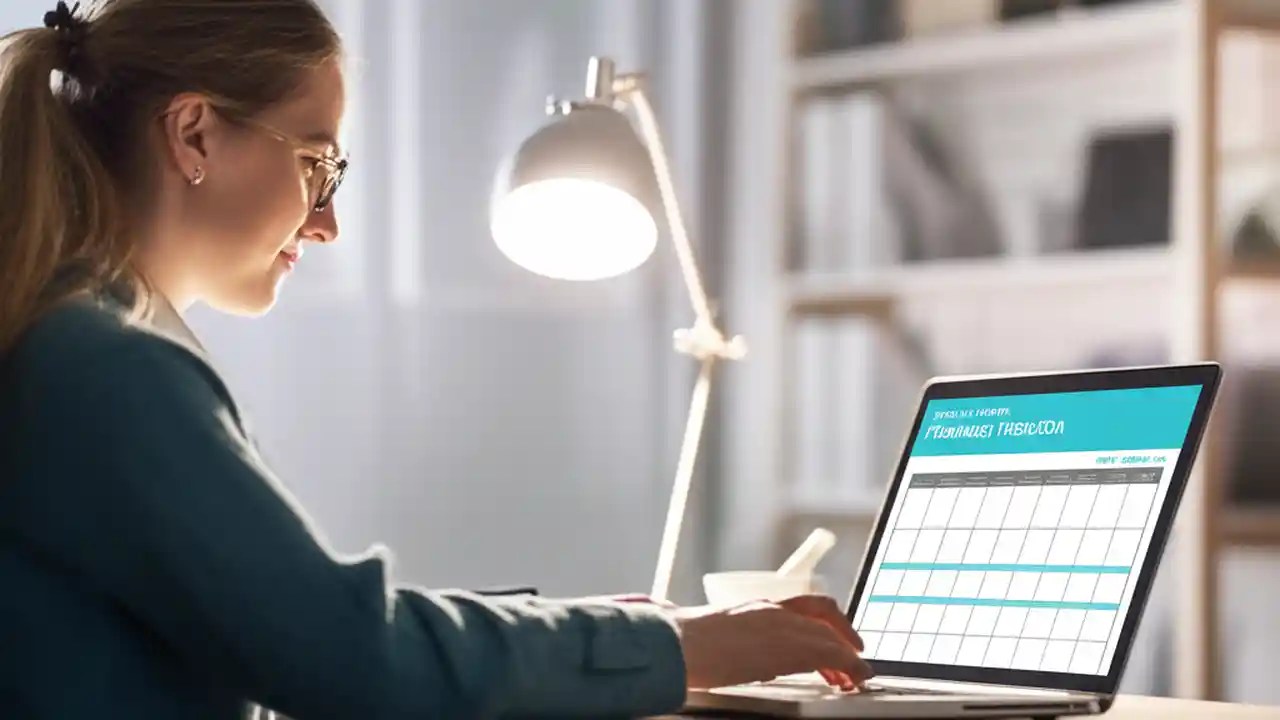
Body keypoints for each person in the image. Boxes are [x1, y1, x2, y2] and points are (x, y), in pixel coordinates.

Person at [0, 1, 873, 717]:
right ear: (192, 134)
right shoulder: (108, 369)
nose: (326, 221)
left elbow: (322, 623)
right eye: (317, 163)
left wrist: (623, 630)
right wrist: (681, 649)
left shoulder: (76, 341)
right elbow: (348, 658)